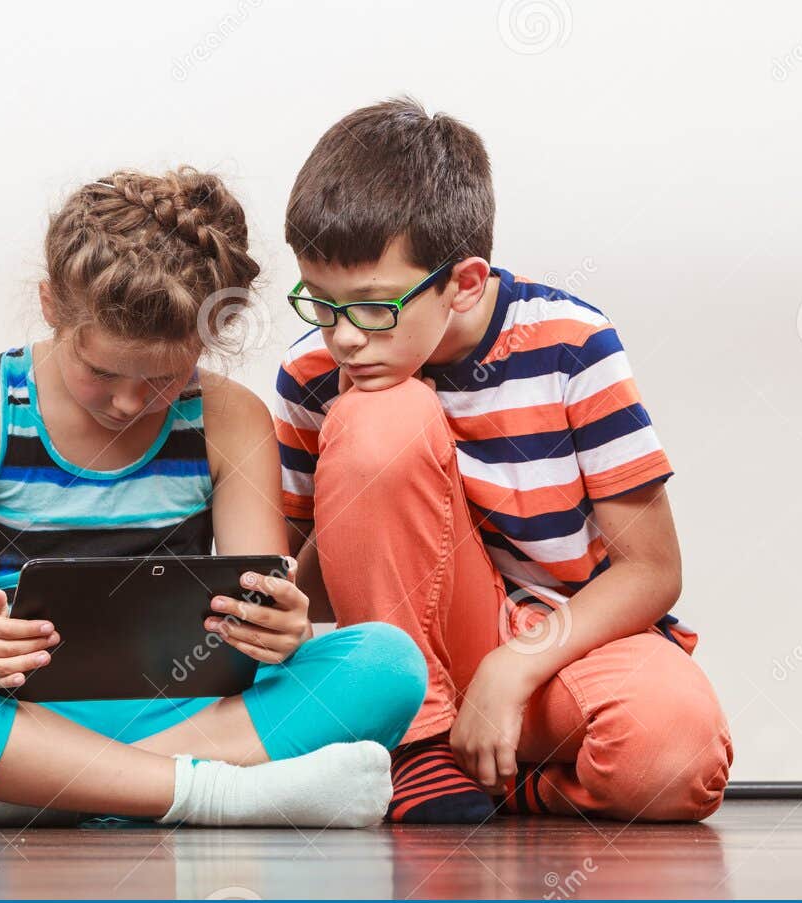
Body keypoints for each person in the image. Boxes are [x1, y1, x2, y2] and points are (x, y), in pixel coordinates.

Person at [0, 168, 426, 829]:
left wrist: (280, 629)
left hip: (185, 709)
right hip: (19, 711)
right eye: (102, 372)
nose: (127, 401)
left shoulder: (229, 419)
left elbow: (257, 597)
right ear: (53, 306)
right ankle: (213, 794)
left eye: (163, 378)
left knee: (389, 665)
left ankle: (33, 795)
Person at [273, 97, 732, 823]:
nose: (344, 339)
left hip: (564, 646)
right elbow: (315, 585)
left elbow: (652, 569)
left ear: (463, 281)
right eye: (321, 304)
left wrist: (512, 666)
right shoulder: (311, 377)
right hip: (405, 660)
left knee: (672, 755)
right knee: (378, 416)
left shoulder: (570, 345)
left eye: (372, 307)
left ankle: (503, 787)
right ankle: (419, 749)